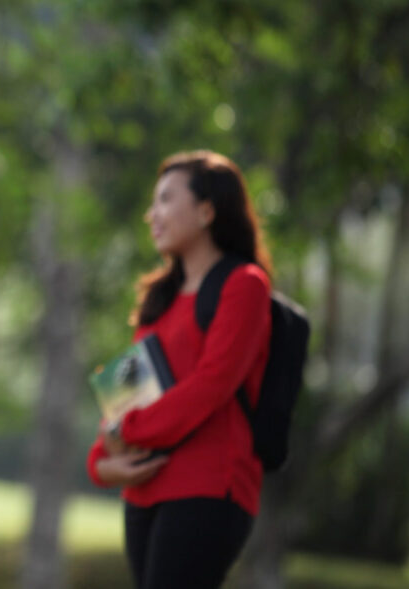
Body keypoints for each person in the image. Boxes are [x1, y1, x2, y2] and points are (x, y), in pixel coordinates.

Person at [87, 150, 274, 589]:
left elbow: (213, 384)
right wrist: (102, 463)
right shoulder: (158, 297)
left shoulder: (244, 284)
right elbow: (130, 395)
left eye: (166, 200)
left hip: (207, 489)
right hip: (144, 491)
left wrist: (127, 432)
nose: (152, 215)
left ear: (207, 211)